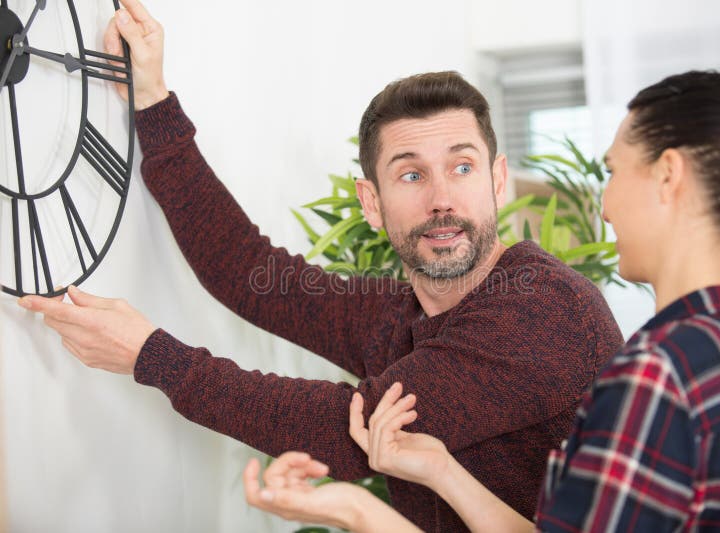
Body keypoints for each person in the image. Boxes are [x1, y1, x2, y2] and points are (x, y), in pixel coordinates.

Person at [16, 0, 622, 530]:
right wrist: (153, 100)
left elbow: (347, 430)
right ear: (372, 203)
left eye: (461, 167)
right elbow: (247, 271)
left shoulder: (542, 308)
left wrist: (151, 355)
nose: (441, 197)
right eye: (411, 174)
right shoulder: (404, 312)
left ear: (497, 180)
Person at [242, 70, 720, 531]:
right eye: (412, 174)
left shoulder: (657, 374)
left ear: (668, 177)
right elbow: (256, 279)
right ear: (374, 199)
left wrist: (361, 513)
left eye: (610, 172)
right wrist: (443, 471)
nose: (603, 208)